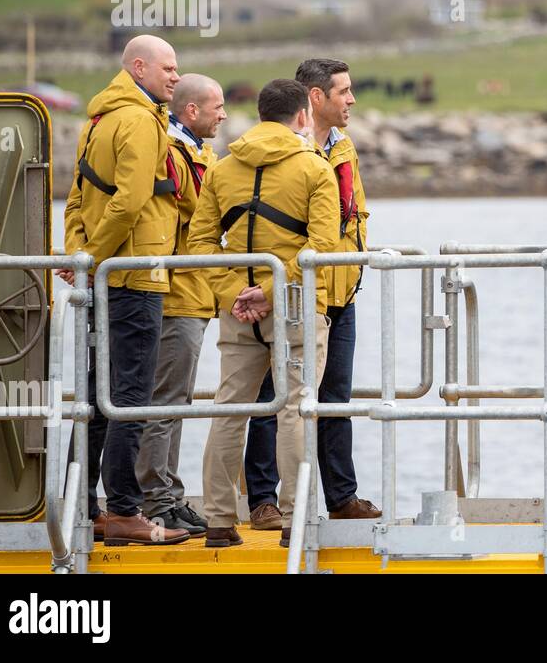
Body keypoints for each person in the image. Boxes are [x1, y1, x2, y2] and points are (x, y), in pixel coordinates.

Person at [188, 79, 341, 548]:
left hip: (238, 310)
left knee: (229, 408)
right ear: (302, 117)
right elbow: (323, 245)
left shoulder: (222, 169)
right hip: (294, 303)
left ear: (259, 115)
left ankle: (217, 521)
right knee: (296, 409)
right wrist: (271, 290)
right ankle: (294, 521)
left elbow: (198, 245)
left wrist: (237, 290)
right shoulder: (315, 170)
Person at [60, 34, 189, 545]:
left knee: (95, 397)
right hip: (135, 276)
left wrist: (81, 255)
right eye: (169, 67)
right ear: (139, 67)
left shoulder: (97, 119)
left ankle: (87, 505)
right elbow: (133, 200)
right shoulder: (139, 118)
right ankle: (125, 511)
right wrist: (97, 258)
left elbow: (76, 197)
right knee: (130, 397)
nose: (176, 76)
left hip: (106, 276)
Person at [243, 59, 380, 528]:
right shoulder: (284, 152)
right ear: (315, 98)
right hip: (294, 295)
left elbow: (354, 215)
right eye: (343, 91)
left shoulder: (344, 148)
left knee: (334, 398)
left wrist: (357, 265)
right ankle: (262, 499)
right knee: (274, 397)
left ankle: (342, 495)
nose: (351, 100)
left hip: (341, 290)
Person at [135, 73, 226, 537]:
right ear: (192, 111)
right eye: (217, 107)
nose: (224, 115)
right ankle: (156, 500)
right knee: (164, 400)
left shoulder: (193, 151)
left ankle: (168, 492)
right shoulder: (174, 151)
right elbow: (200, 205)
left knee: (176, 399)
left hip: (193, 293)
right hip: (177, 294)